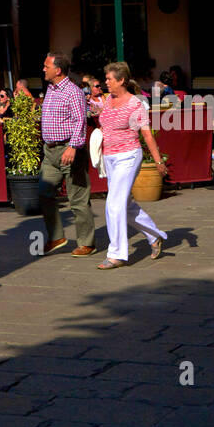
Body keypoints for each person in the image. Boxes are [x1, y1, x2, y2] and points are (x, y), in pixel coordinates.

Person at [97, 61, 168, 269]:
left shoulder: (135, 104)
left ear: (121, 80)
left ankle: (116, 254)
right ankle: (154, 236)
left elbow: (146, 134)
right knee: (125, 204)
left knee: (114, 204)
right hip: (110, 157)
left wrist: (158, 161)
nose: (106, 82)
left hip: (128, 157)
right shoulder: (108, 100)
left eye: (109, 79)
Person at [38, 52, 97, 256]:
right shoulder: (51, 89)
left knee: (78, 199)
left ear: (58, 70)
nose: (43, 69)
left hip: (69, 150)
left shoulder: (73, 92)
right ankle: (57, 237)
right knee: (44, 193)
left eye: (47, 66)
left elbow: (80, 121)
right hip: (50, 151)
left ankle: (86, 243)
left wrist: (73, 146)